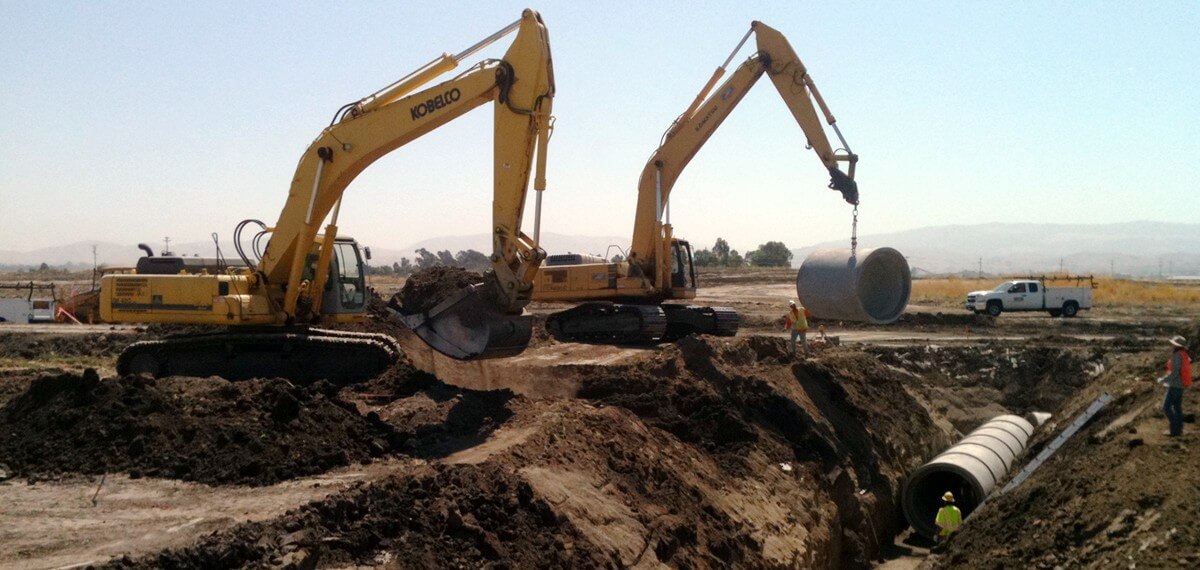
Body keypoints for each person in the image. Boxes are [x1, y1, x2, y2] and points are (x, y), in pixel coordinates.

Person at [1157, 335, 1192, 437]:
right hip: (1181, 385)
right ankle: (1179, 429)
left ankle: (1174, 429)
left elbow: (1175, 373)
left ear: (1176, 345)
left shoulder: (1177, 355)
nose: (1172, 346)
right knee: (1177, 407)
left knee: (1166, 407)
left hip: (1174, 385)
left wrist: (1163, 380)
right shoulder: (1184, 354)